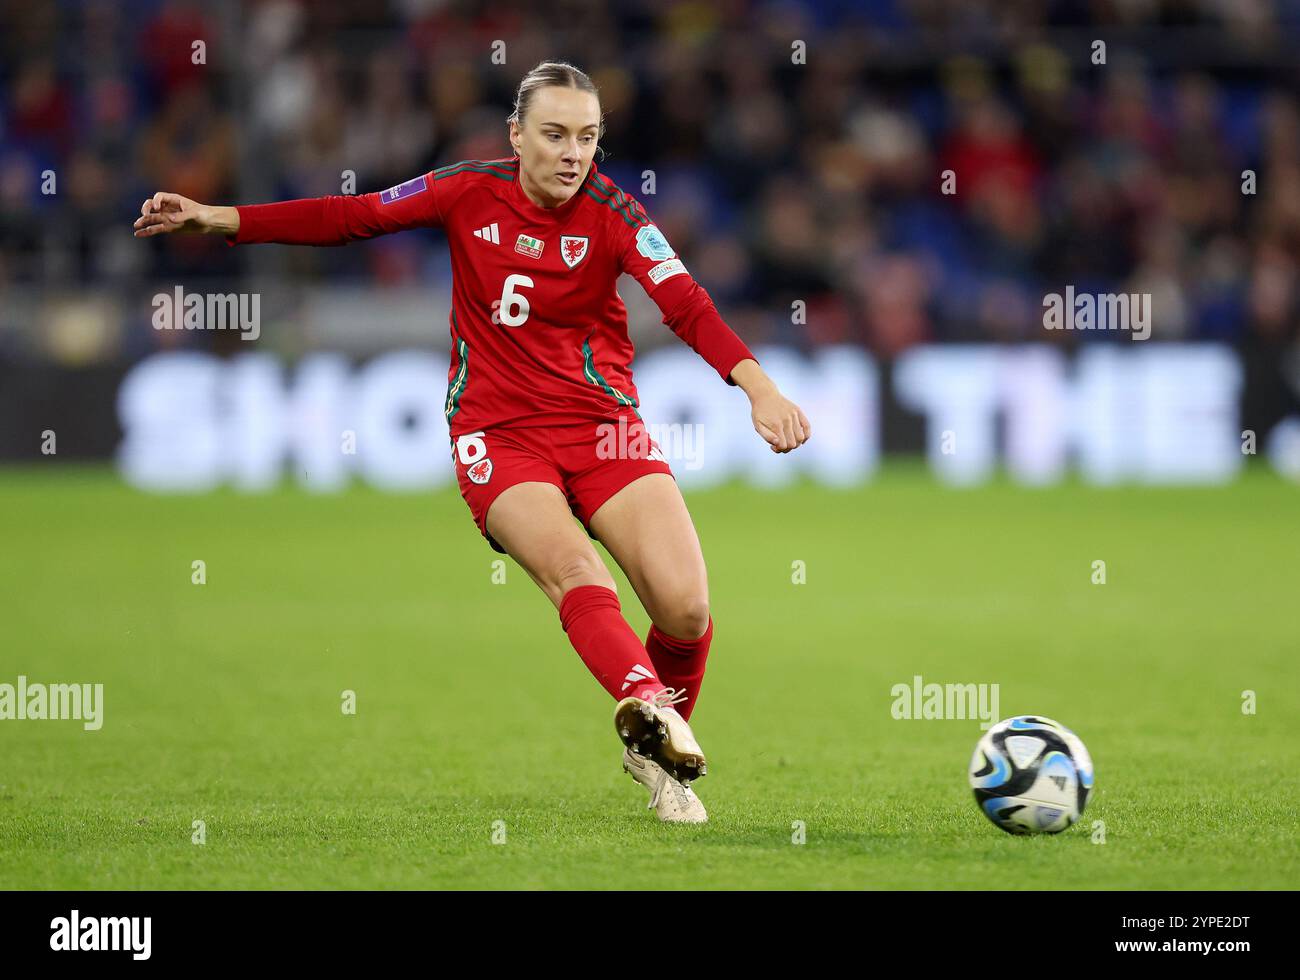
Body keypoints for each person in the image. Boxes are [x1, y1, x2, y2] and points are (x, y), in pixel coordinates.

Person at [134, 61, 811, 823]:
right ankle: (649, 709)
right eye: (554, 134)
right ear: (516, 136)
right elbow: (351, 215)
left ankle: (648, 746)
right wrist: (222, 218)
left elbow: (688, 306)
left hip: (604, 429)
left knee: (686, 610)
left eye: (587, 137)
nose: (572, 153)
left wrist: (759, 387)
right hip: (498, 433)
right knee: (576, 570)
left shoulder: (618, 215)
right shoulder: (465, 189)